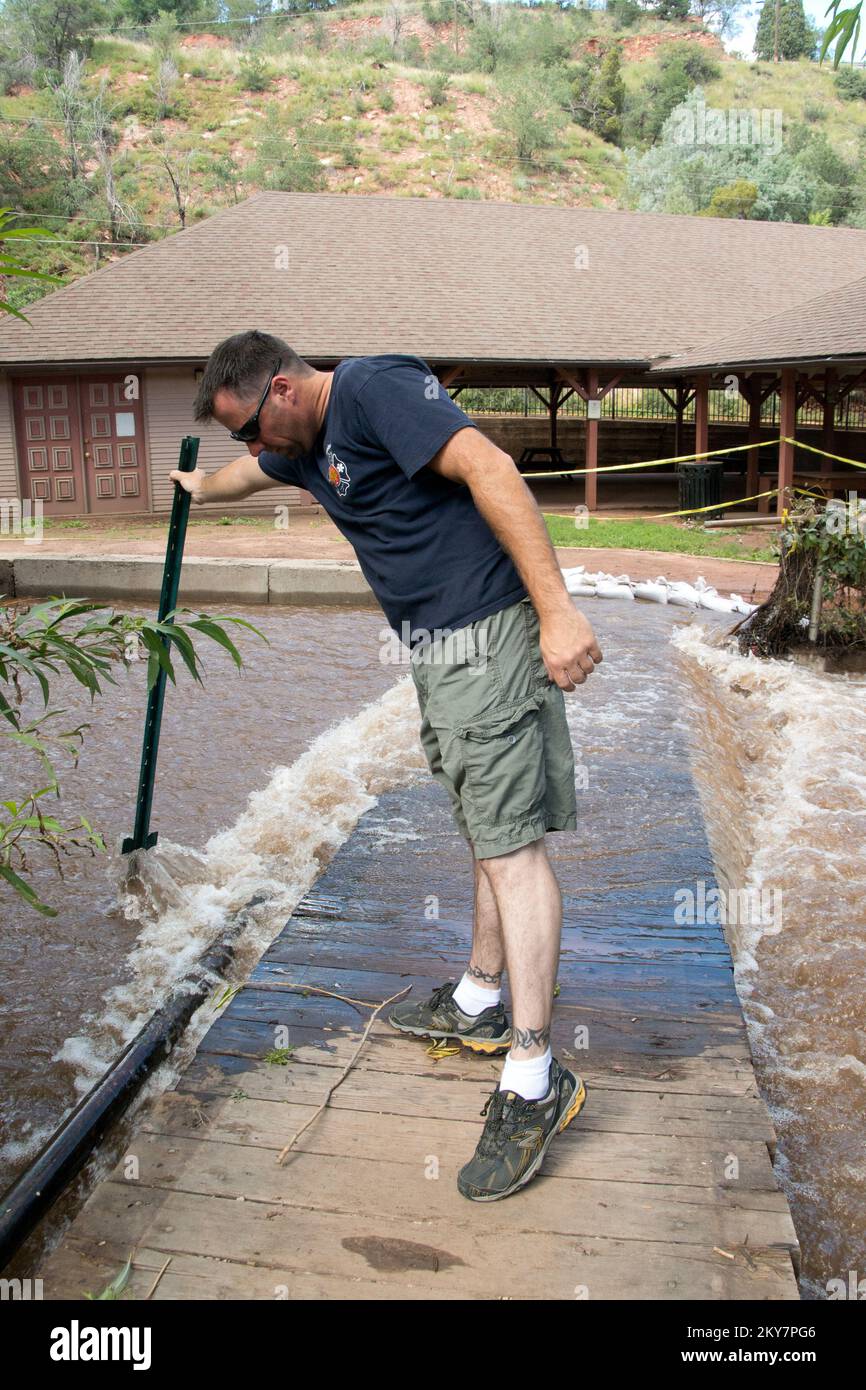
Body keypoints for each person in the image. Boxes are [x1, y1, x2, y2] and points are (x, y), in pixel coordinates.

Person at [174, 329, 603, 1202]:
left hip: (491, 637)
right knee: (486, 829)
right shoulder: (299, 449)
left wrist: (558, 613)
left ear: (285, 388)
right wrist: (197, 486)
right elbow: (245, 477)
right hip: (441, 656)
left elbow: (490, 468)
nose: (251, 448)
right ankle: (481, 998)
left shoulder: (373, 391)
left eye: (250, 427)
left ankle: (534, 1075)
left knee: (513, 851)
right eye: (235, 437)